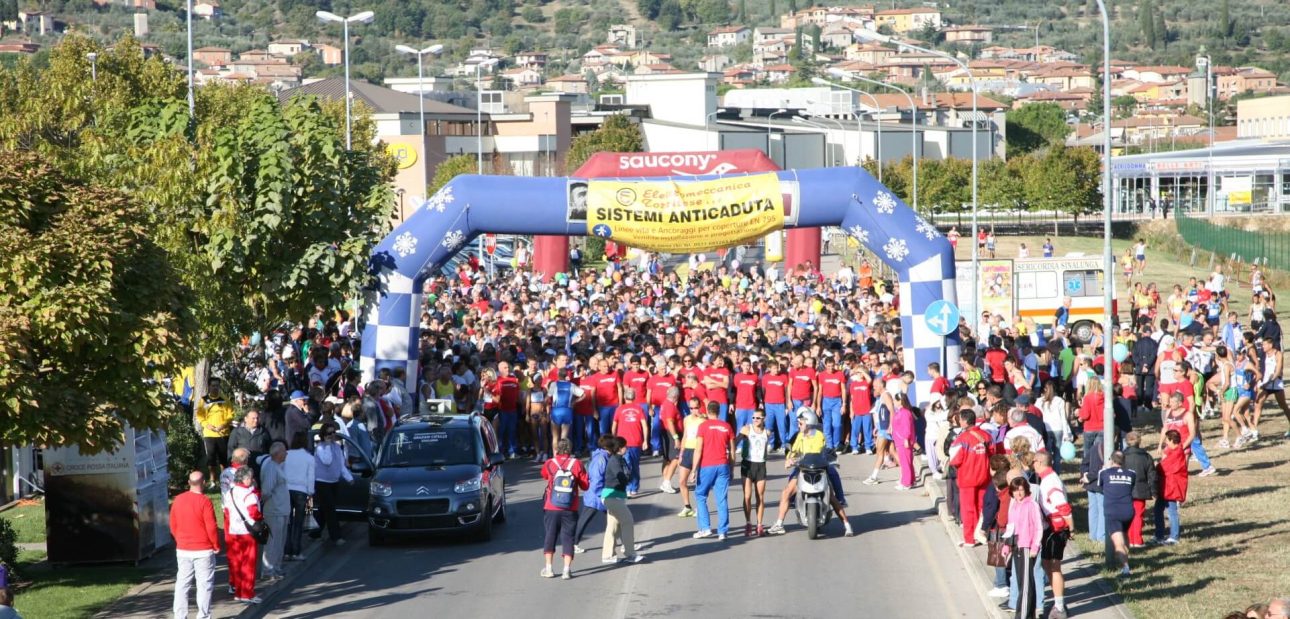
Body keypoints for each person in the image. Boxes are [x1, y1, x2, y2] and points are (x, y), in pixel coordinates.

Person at [767, 408, 854, 537]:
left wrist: (829, 457)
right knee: (786, 492)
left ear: (809, 423)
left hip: (819, 469)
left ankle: (847, 525)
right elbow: (794, 451)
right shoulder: (800, 436)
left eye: (801, 423)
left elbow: (820, 451)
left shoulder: (819, 436)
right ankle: (779, 523)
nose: (799, 425)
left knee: (831, 496)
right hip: (803, 469)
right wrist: (789, 459)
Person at [171, 471, 219, 619]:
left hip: (183, 548)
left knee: (182, 584)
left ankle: (180, 615)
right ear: (203, 483)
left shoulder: (178, 500)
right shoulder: (205, 501)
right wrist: (215, 544)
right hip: (203, 549)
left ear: (188, 482)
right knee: (204, 585)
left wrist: (178, 539)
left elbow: (173, 524)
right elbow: (211, 526)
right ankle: (203, 616)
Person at [540, 438, 590, 580]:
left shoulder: (550, 463)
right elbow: (585, 486)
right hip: (570, 507)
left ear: (557, 450)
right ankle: (566, 570)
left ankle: (549, 568)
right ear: (570, 450)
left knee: (550, 535)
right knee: (568, 538)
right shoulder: (577, 464)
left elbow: (544, 475)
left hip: (551, 506)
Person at [1035, 452, 1074, 619]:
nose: (1032, 465)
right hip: (1051, 528)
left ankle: (1059, 607)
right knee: (1046, 563)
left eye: (1034, 462)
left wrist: (1071, 529)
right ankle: (1058, 601)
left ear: (1039, 462)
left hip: (1056, 529)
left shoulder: (1050, 481)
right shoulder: (1047, 478)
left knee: (1054, 565)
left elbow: (1063, 507)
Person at [691, 401, 734, 541]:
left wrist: (693, 470)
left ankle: (705, 528)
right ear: (719, 411)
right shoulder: (727, 427)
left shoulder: (703, 426)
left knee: (700, 495)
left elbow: (698, 449)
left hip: (707, 465)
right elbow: (732, 451)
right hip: (723, 465)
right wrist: (731, 468)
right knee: (721, 499)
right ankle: (723, 531)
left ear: (708, 411)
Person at [948, 409, 992, 547]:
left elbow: (954, 459)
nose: (958, 422)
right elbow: (992, 453)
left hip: (967, 478)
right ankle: (981, 534)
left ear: (965, 421)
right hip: (985, 477)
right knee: (982, 507)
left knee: (968, 509)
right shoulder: (987, 436)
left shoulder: (962, 439)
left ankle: (969, 539)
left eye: (960, 419)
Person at [601, 436, 646, 565]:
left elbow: (627, 474)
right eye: (625, 446)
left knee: (613, 526)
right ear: (620, 448)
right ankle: (630, 553)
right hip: (612, 496)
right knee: (627, 521)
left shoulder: (620, 459)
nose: (627, 448)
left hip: (617, 496)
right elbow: (620, 476)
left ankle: (607, 555)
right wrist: (626, 480)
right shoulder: (615, 460)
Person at [1003, 477, 1043, 619]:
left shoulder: (1032, 505)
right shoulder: (1014, 505)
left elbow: (1039, 528)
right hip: (1016, 546)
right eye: (1015, 490)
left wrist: (1035, 547)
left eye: (1020, 490)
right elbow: (1011, 527)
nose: (1018, 493)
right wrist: (1007, 545)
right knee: (1021, 583)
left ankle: (1022, 616)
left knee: (1026, 585)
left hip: (1027, 547)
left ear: (1026, 489)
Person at [226, 466, 263, 604]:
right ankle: (247, 593)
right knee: (249, 563)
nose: (252, 480)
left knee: (238, 562)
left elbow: (227, 511)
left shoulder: (230, 492)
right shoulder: (249, 494)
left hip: (234, 530)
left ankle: (238, 591)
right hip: (248, 532)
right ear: (246, 478)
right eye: (250, 477)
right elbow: (254, 513)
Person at [313, 423, 352, 546]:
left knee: (324, 509)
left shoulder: (337, 447)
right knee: (330, 510)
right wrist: (328, 445)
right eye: (329, 433)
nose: (332, 435)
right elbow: (327, 461)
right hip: (322, 482)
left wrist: (349, 477)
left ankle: (314, 532)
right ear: (324, 435)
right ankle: (336, 536)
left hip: (334, 482)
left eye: (333, 432)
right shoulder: (320, 447)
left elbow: (340, 465)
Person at [1100, 451, 1137, 576]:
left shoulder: (1104, 473)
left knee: (1118, 543)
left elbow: (1101, 488)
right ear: (1124, 461)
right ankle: (1127, 558)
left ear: (1111, 460)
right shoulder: (1132, 474)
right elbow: (1130, 487)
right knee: (1125, 534)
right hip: (1128, 510)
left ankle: (1125, 567)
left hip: (1112, 511)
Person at [572, 435, 611, 554]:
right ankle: (573, 543)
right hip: (597, 496)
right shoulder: (601, 459)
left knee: (616, 519)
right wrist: (601, 494)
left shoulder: (602, 456)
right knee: (584, 520)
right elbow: (597, 479)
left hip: (599, 495)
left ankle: (626, 542)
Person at [258, 442, 290, 582]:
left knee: (280, 541)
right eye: (284, 451)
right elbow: (266, 491)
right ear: (277, 454)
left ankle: (276, 567)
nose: (287, 453)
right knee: (272, 542)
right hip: (274, 510)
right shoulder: (271, 468)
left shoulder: (278, 466)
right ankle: (268, 570)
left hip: (282, 510)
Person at [195, 378, 235, 488]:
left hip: (223, 433)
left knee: (223, 458)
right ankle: (212, 481)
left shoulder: (224, 399)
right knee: (211, 459)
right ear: (209, 387)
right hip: (209, 434)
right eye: (213, 385)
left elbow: (230, 415)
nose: (215, 387)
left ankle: (224, 478)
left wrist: (224, 424)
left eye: (217, 385)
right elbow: (200, 416)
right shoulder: (204, 400)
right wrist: (207, 425)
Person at [737, 409, 771, 537]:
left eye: (758, 418)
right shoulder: (746, 429)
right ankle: (748, 523)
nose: (755, 420)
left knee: (760, 497)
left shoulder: (767, 433)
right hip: (747, 465)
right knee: (747, 496)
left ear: (764, 419)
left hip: (760, 465)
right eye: (753, 418)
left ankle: (759, 524)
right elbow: (735, 441)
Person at [611, 389, 649, 497]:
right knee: (635, 465)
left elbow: (614, 425)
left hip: (622, 443)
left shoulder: (619, 409)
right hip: (636, 441)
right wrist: (645, 440)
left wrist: (613, 439)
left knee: (625, 466)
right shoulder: (639, 409)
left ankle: (627, 487)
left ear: (624, 397)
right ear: (634, 397)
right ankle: (634, 487)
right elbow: (645, 425)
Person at [283, 433, 315, 561]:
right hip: (301, 491)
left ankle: (286, 550)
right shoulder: (309, 458)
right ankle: (296, 551)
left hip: (287, 489)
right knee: (299, 522)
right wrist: (310, 492)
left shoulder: (287, 455)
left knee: (288, 522)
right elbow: (311, 476)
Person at [1153, 429, 1188, 545]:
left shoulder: (1177, 453)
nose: (1165, 443)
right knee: (1158, 510)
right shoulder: (1172, 451)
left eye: (1167, 440)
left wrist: (1158, 465)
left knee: (1172, 511)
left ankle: (1174, 536)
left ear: (1172, 440)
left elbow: (1164, 467)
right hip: (1165, 486)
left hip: (1171, 487)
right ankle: (1159, 535)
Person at [1122, 432, 1156, 549]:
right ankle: (1137, 540)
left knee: (1127, 515)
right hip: (1140, 490)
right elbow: (1152, 476)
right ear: (1139, 441)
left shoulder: (1122, 456)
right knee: (1138, 516)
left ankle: (1129, 539)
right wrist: (1154, 491)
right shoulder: (1146, 456)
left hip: (1125, 489)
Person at [228, 409, 272, 477]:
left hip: (259, 466)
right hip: (243, 467)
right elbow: (231, 448)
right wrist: (231, 465)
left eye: (257, 418)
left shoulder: (263, 431)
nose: (256, 420)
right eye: (253, 418)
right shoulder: (237, 432)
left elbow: (269, 447)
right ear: (246, 419)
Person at [891, 392, 917, 490]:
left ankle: (906, 483)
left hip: (903, 441)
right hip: (900, 440)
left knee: (905, 462)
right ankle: (911, 480)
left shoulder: (905, 412)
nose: (893, 402)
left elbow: (907, 428)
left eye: (895, 400)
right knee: (907, 461)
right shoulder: (901, 411)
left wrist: (906, 439)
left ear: (900, 401)